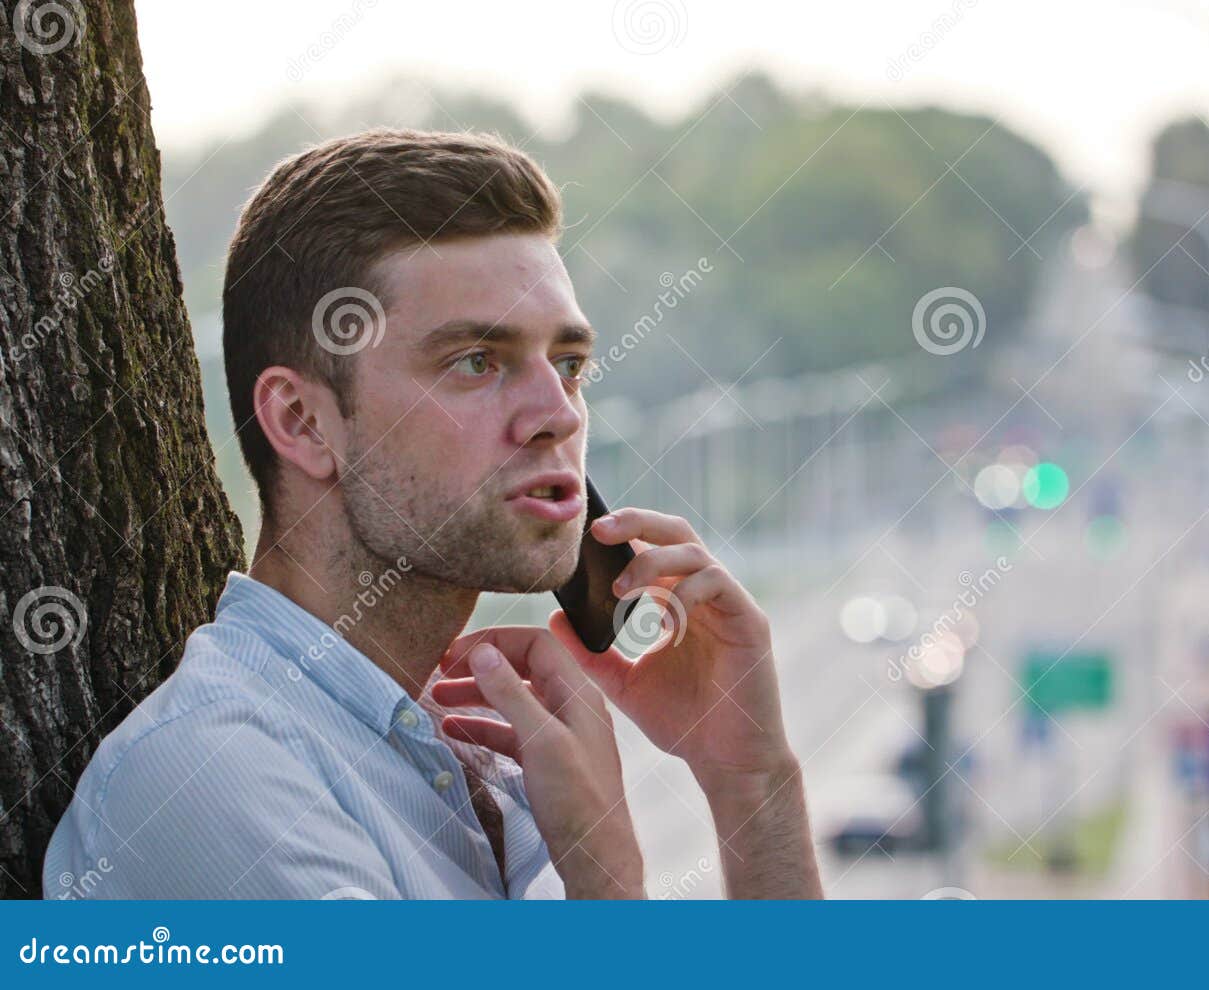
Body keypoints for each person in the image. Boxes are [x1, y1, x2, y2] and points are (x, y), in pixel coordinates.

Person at [43, 129, 822, 900]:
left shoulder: (503, 761)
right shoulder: (211, 780)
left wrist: (750, 783)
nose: (559, 414)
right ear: (303, 422)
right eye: (477, 362)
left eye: (569, 365)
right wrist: (606, 888)